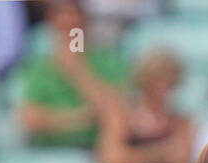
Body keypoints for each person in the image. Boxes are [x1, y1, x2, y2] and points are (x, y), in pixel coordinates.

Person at [16, 0, 127, 149]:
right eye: (64, 24)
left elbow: (117, 112)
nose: (70, 24)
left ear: (85, 21)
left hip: (96, 148)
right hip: (52, 151)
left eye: (75, 23)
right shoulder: (40, 68)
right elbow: (30, 119)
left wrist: (77, 71)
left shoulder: (108, 61)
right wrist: (80, 118)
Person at [96, 48, 193, 163]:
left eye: (169, 82)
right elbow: (111, 158)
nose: (163, 87)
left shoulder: (179, 122)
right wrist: (160, 153)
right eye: (157, 81)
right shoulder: (122, 113)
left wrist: (133, 158)